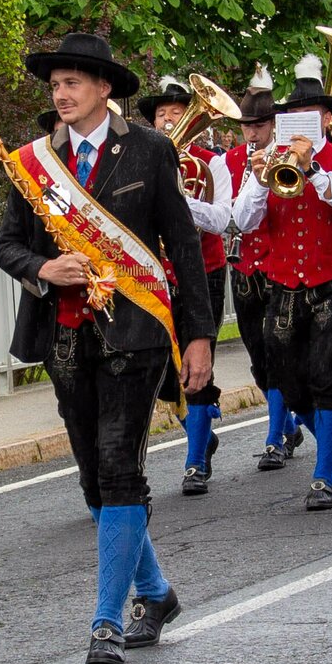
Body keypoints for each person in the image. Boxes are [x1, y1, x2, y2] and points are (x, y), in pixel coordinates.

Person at [0, 31, 216, 664]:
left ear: (104, 89)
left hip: (136, 335)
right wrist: (45, 267)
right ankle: (154, 590)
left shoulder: (148, 151)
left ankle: (106, 623)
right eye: (55, 84)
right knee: (94, 480)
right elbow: (8, 245)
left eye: (72, 83)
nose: (60, 94)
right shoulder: (32, 162)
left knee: (121, 466)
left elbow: (181, 247)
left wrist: (198, 337)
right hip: (64, 339)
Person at [232, 58, 332, 511]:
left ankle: (324, 473)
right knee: (287, 383)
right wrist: (256, 179)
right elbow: (243, 221)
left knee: (325, 377)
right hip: (284, 283)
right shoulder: (268, 162)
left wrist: (310, 169)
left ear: (327, 118)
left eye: (312, 112)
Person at [138, 77, 238, 494]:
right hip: (155, 277)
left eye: (176, 114)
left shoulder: (209, 163)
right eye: (161, 115)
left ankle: (195, 459)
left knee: (197, 366)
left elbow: (221, 219)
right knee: (160, 372)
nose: (167, 121)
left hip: (203, 273)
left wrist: (175, 198)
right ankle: (201, 435)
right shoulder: (140, 160)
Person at [221, 80, 305, 470]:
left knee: (279, 352)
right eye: (246, 126)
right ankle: (287, 424)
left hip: (278, 265)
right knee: (258, 357)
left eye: (259, 125)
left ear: (274, 125)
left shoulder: (288, 156)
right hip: (242, 268)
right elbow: (226, 215)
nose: (252, 133)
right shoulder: (227, 161)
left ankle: (274, 439)